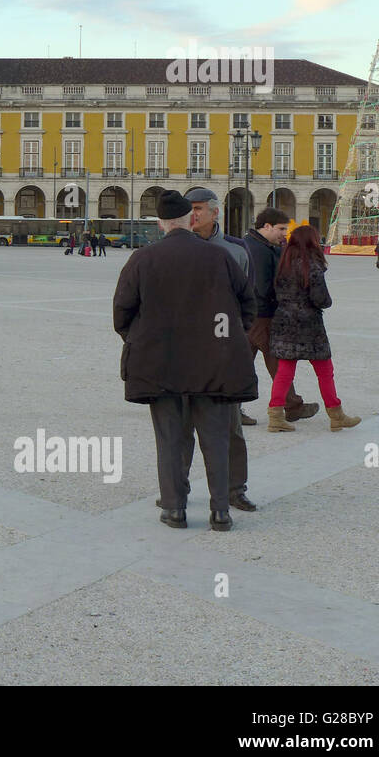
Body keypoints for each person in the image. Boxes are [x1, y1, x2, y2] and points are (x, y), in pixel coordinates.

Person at [113, 190, 256, 532]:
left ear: (161, 223)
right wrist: (225, 337)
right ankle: (221, 512)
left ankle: (175, 510)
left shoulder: (142, 259)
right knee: (217, 440)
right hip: (214, 364)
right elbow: (247, 304)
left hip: (161, 366)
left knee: (170, 440)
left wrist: (143, 339)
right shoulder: (219, 257)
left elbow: (122, 313)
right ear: (190, 220)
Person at [182, 186, 257, 509]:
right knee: (180, 428)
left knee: (231, 427)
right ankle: (176, 488)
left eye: (199, 208)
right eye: (189, 209)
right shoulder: (172, 249)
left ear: (215, 212)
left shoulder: (236, 250)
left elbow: (246, 301)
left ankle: (235, 488)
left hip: (222, 350)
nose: (193, 215)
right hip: (182, 351)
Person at [269, 225, 360, 432]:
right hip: (309, 325)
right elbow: (320, 299)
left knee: (284, 371)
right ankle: (336, 415)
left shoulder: (283, 263)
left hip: (284, 321)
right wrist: (327, 301)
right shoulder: (312, 265)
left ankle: (275, 416)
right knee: (325, 370)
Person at [243, 208, 318, 426]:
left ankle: (230, 407)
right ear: (266, 226)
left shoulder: (265, 245)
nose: (284, 233)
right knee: (276, 358)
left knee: (242, 361)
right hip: (262, 313)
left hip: (255, 312)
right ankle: (292, 406)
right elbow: (262, 286)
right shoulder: (256, 249)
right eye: (281, 229)